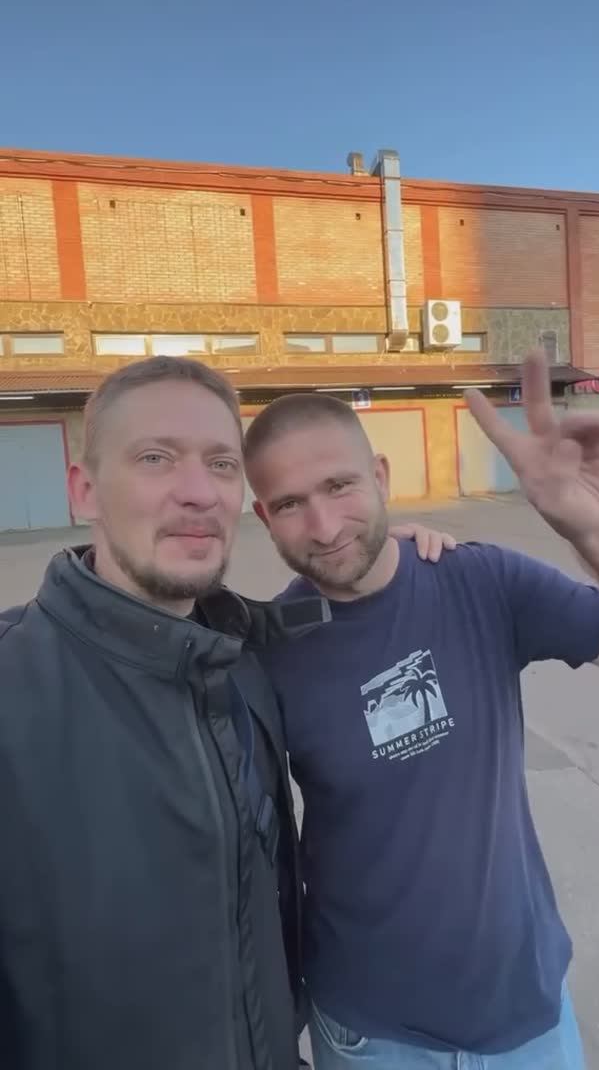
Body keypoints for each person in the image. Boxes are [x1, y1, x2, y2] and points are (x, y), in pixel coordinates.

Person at [243, 350, 599, 1070]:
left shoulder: (481, 582)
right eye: (291, 504)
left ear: (381, 477)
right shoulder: (264, 653)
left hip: (525, 1017)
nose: (325, 525)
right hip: (369, 1033)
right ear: (264, 517)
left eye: (339, 485)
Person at [0, 356, 331, 1070]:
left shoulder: (242, 661)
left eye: (222, 464)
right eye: (155, 458)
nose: (199, 493)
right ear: (84, 490)